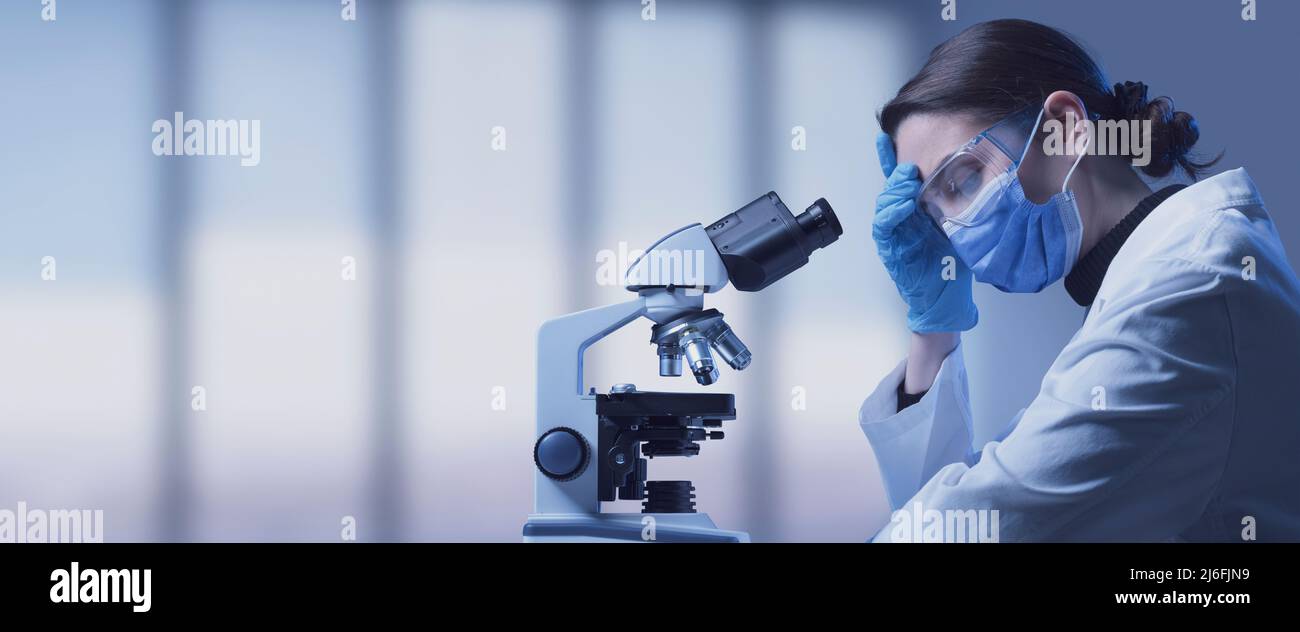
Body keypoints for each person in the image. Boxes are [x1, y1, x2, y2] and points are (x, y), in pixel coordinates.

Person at [863, 18, 1300, 542]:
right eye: (935, 216)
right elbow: (946, 507)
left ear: (1066, 126)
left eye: (963, 180)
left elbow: (975, 528)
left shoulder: (1189, 288)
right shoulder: (1143, 281)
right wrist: (932, 330)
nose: (956, 231)